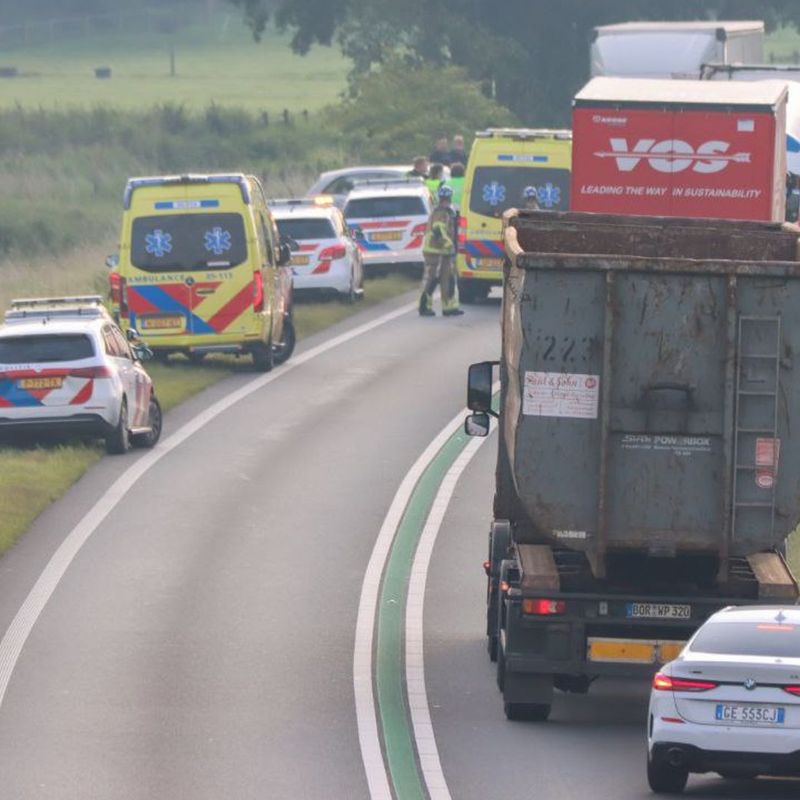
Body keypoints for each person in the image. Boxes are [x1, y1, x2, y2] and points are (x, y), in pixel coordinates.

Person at [419, 185, 464, 317]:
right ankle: (424, 306)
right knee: (431, 280)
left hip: (444, 252)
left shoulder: (447, 211)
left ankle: (449, 307)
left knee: (448, 279)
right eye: (445, 198)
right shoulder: (440, 213)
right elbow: (438, 230)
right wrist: (449, 245)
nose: (446, 200)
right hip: (435, 251)